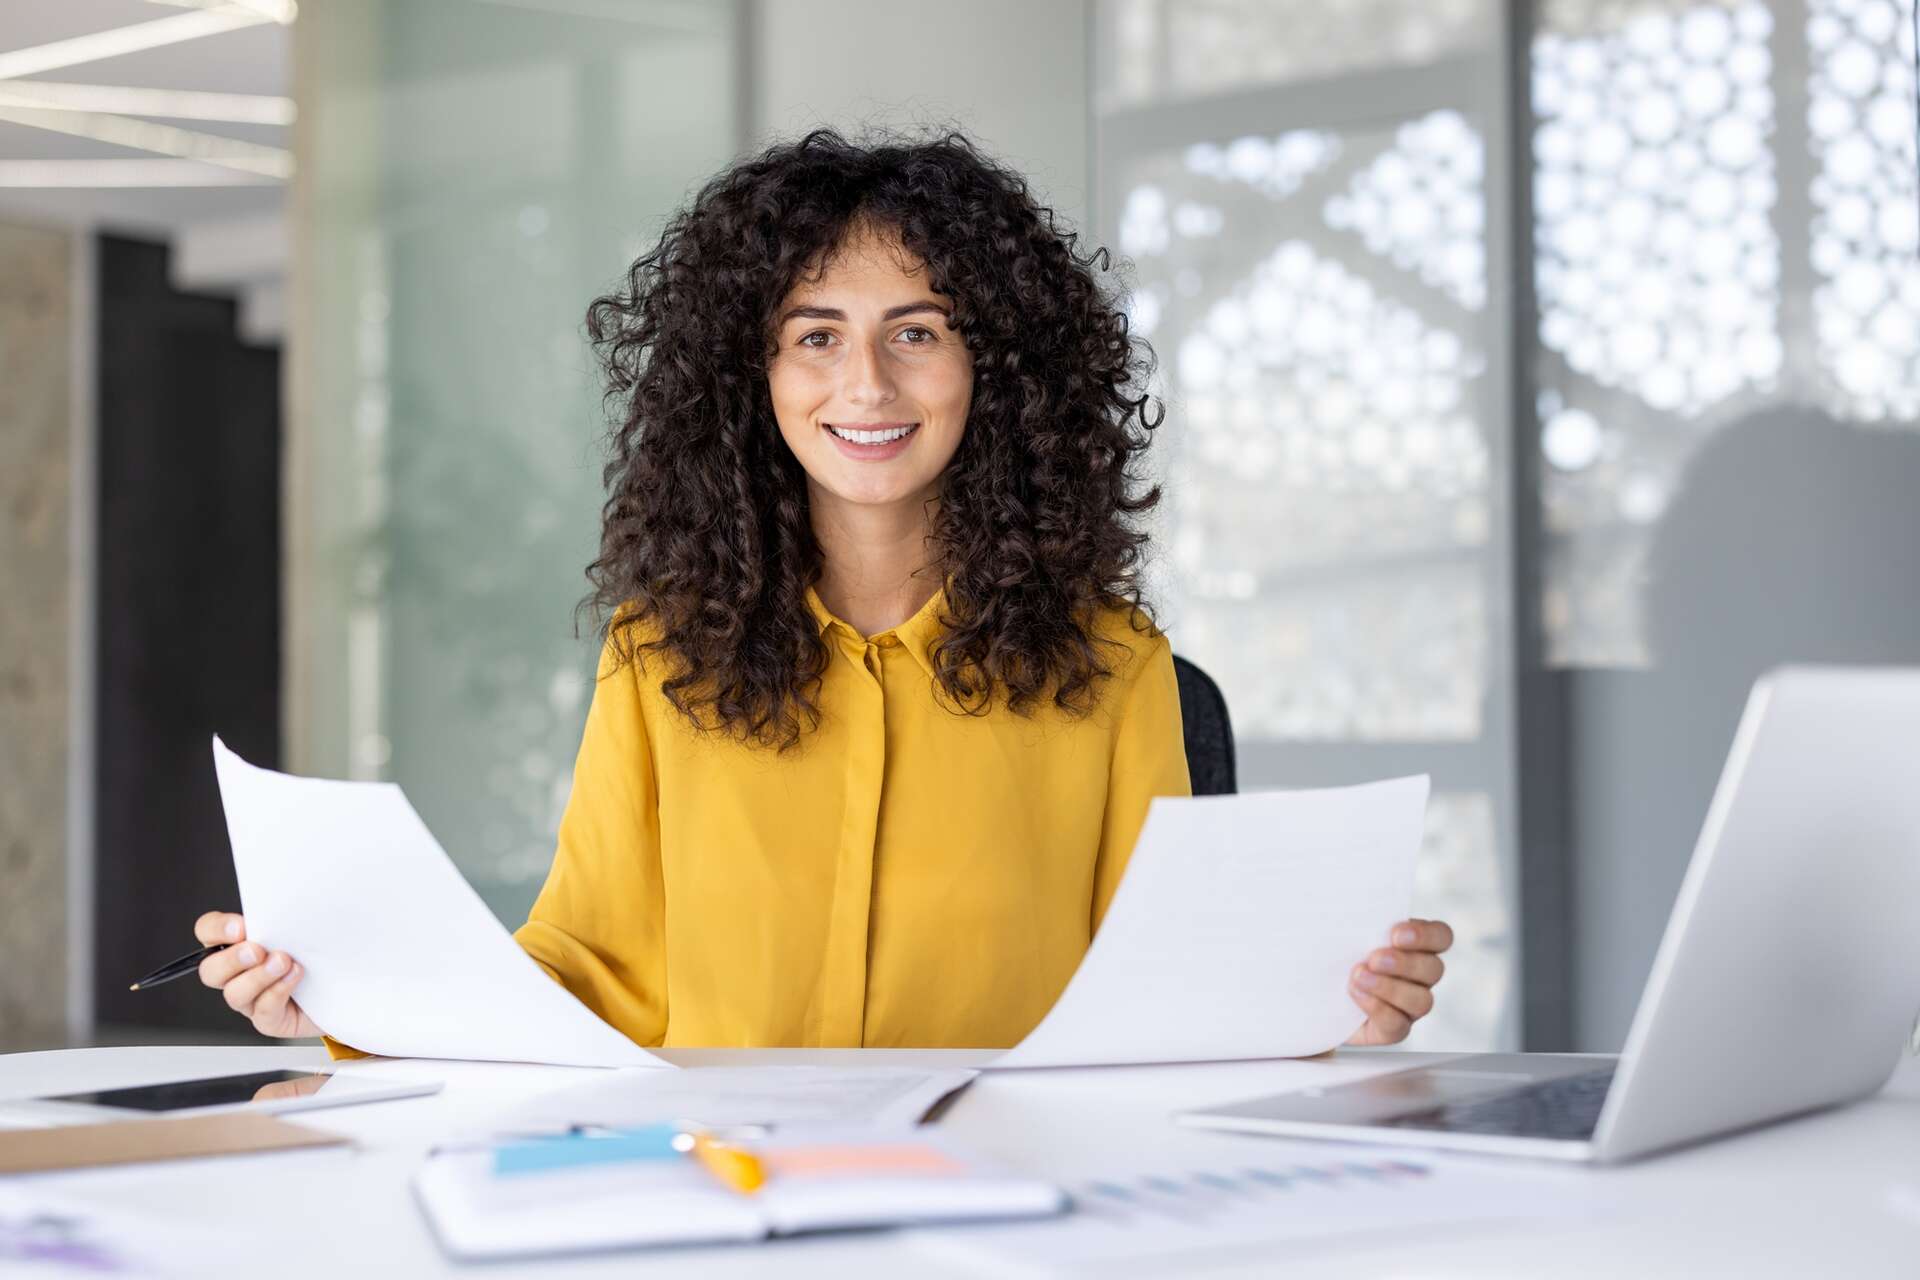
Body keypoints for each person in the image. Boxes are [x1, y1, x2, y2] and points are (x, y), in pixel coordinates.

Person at [193, 127, 1453, 1052]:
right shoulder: (657, 657)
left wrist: (1336, 1009)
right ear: (754, 377)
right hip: (726, 1201)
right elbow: (586, 969)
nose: (866, 384)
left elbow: (1177, 1003)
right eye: (815, 334)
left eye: (918, 330)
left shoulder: (1116, 668)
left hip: (1013, 1210)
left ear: (993, 370)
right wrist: (341, 1004)